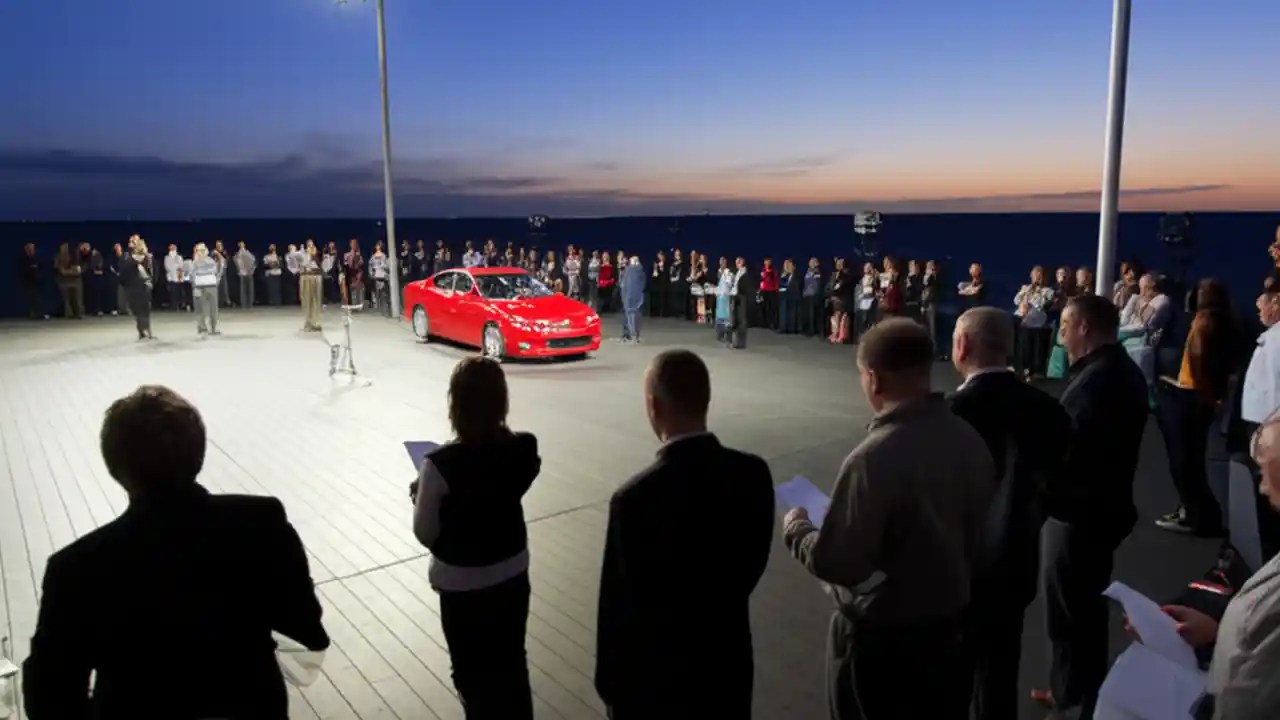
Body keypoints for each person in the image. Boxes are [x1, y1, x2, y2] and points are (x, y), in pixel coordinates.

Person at [22, 385, 328, 718]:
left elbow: (50, 696)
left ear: (115, 467)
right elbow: (306, 627)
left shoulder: (75, 568)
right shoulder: (261, 522)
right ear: (199, 452)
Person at [784, 318, 996, 720]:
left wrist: (799, 529)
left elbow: (838, 562)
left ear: (873, 379)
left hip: (883, 643)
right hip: (950, 633)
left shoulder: (872, 458)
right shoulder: (967, 439)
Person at [595, 350, 774, 718]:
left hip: (658, 681)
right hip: (727, 663)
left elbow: (618, 608)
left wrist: (612, 690)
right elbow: (751, 566)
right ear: (705, 400)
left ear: (654, 406)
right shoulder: (752, 474)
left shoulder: (633, 500)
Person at [949, 307, 1071, 720]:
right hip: (1016, 563)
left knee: (951, 681)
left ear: (962, 345)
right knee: (1000, 674)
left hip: (956, 570)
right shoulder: (1048, 410)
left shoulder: (949, 415)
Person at [1034, 294, 1149, 718]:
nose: (1060, 333)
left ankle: (1077, 701)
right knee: (1081, 608)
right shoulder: (1112, 372)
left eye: (1065, 324)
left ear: (1084, 327)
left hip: (1080, 514)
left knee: (1070, 612)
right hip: (1099, 509)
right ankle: (1071, 689)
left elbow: (1075, 452)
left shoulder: (1099, 382)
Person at [412, 358, 539, 719]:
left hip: (461, 586)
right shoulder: (524, 449)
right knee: (513, 664)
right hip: (513, 573)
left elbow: (425, 533)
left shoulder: (438, 464)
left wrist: (423, 492)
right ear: (502, 401)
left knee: (471, 674)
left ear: (457, 404)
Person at [1155, 279, 1240, 536]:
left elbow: (1200, 362)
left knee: (1184, 462)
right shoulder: (1227, 322)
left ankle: (1196, 516)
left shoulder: (1204, 323)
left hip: (1191, 398)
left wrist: (1203, 394)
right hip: (1200, 396)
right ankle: (1194, 511)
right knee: (1193, 460)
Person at [118, 236, 154, 340]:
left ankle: (143, 331)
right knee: (145, 310)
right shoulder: (147, 258)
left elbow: (122, 277)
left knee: (138, 311)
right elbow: (152, 274)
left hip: (133, 290)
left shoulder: (129, 261)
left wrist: (126, 285)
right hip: (145, 288)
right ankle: (147, 331)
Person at [190, 243, 222, 336]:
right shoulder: (211, 261)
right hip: (211, 285)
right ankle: (213, 328)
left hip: (199, 286)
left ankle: (203, 328)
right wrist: (217, 280)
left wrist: (194, 285)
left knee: (200, 308)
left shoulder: (195, 262)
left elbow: (192, 275)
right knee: (213, 308)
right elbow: (217, 271)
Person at [620, 256, 646, 342]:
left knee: (631, 315)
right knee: (633, 315)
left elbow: (625, 285)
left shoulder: (631, 270)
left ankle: (632, 334)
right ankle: (632, 334)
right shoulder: (639, 271)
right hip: (635, 297)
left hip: (630, 297)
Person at [299, 241, 324, 332]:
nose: (310, 246)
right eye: (308, 245)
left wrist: (314, 256)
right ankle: (308, 322)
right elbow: (301, 267)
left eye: (312, 244)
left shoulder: (319, 255)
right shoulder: (304, 255)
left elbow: (323, 266)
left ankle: (315, 322)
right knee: (307, 300)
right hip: (306, 278)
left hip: (316, 278)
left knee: (316, 300)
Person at [729, 257, 751, 349]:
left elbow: (744, 288)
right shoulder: (738, 273)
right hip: (736, 297)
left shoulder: (744, 273)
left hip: (741, 298)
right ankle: (736, 342)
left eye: (738, 262)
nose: (736, 264)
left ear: (742, 263)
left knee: (741, 320)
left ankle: (740, 343)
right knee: (736, 320)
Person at [234, 241, 256, 309]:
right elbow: (236, 263)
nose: (242, 246)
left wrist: (250, 269)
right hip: (243, 273)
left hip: (249, 273)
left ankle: (250, 303)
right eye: (240, 245)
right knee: (243, 289)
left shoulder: (247, 253)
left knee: (249, 288)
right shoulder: (237, 254)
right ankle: (244, 304)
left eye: (242, 245)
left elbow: (253, 260)